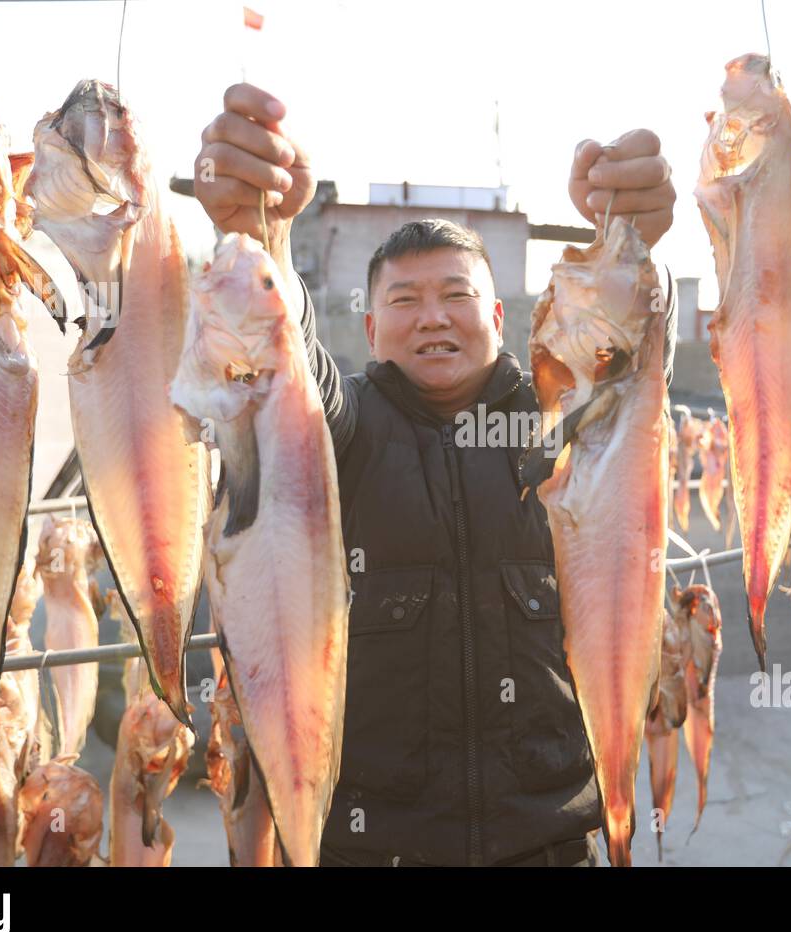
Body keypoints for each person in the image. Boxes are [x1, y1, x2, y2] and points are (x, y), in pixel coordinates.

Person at [194, 84, 678, 866]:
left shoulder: (556, 422)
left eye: (457, 295)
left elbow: (624, 375)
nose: (433, 316)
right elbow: (288, 373)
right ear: (372, 327)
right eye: (406, 300)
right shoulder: (340, 432)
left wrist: (632, 245)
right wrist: (263, 239)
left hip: (549, 844)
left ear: (496, 317)